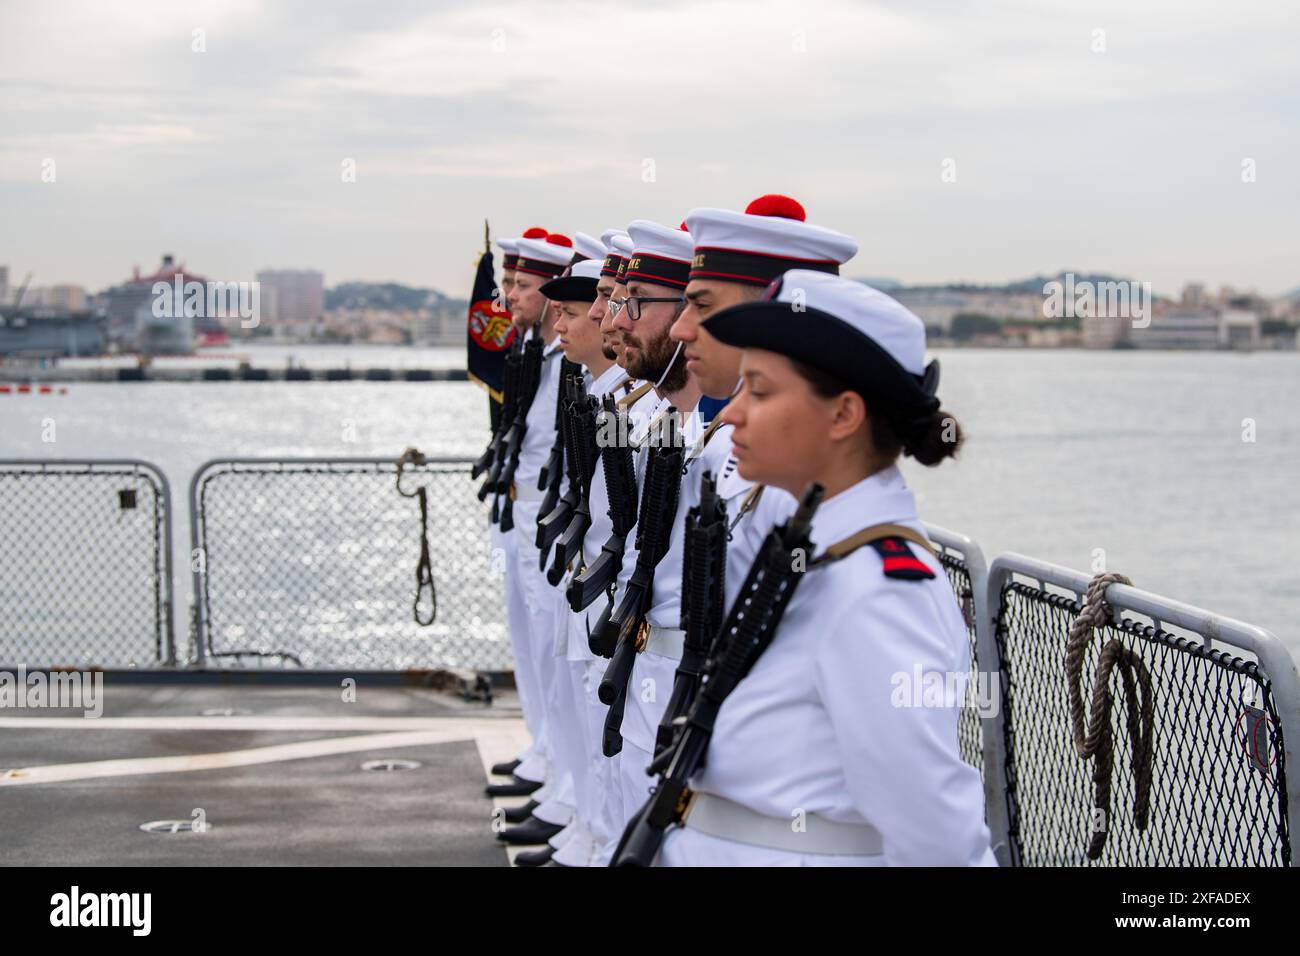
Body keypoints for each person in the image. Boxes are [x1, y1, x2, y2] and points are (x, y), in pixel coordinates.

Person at [656, 270, 997, 866]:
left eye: (758, 391)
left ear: (843, 416)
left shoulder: (881, 589)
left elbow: (935, 828)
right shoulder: (816, 553)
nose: (731, 413)